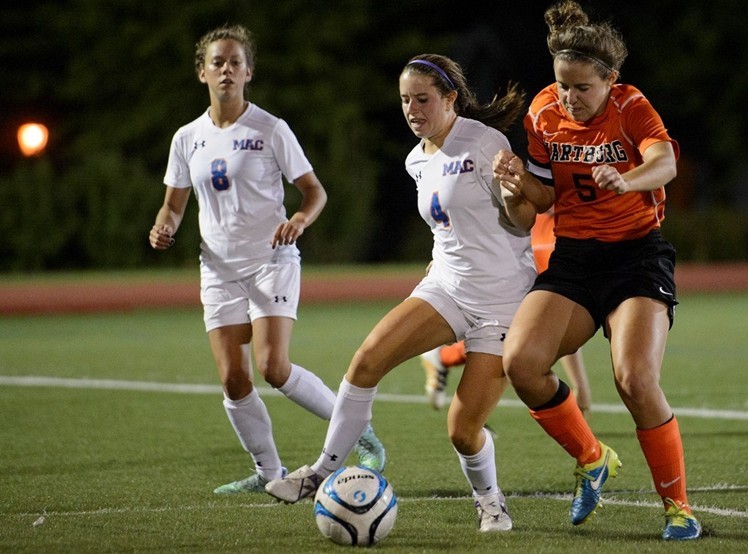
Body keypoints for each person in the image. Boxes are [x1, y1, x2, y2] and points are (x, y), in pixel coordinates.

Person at [266, 53, 534, 533]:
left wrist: (515, 193)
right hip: (447, 286)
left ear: (451, 99)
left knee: (463, 429)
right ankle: (320, 472)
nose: (413, 110)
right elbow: (448, 225)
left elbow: (522, 221)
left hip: (503, 302)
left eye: (423, 99)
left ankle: (491, 501)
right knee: (366, 361)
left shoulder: (483, 142)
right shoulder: (416, 159)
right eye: (406, 101)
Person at [490, 1, 702, 540]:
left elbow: (666, 162)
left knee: (634, 377)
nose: (569, 97)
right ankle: (591, 456)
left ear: (611, 79)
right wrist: (516, 182)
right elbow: (543, 196)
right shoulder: (543, 111)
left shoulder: (631, 107)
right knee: (521, 363)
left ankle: (679, 508)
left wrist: (628, 180)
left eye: (582, 87)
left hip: (636, 256)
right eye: (562, 86)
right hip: (575, 258)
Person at [148, 24, 385, 495]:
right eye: (218, 62)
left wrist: (298, 219)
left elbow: (314, 192)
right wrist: (165, 227)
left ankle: (362, 434)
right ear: (202, 73)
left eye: (236, 62)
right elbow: (174, 204)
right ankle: (268, 473)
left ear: (249, 72)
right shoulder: (186, 138)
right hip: (217, 268)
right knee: (234, 380)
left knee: (274, 366)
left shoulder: (270, 129)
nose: (227, 70)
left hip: (270, 261)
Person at [421, 208, 592, 417]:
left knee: (514, 348)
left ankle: (443, 360)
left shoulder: (570, 223)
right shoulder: (523, 216)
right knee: (510, 349)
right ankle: (466, 409)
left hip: (528, 298)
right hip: (505, 292)